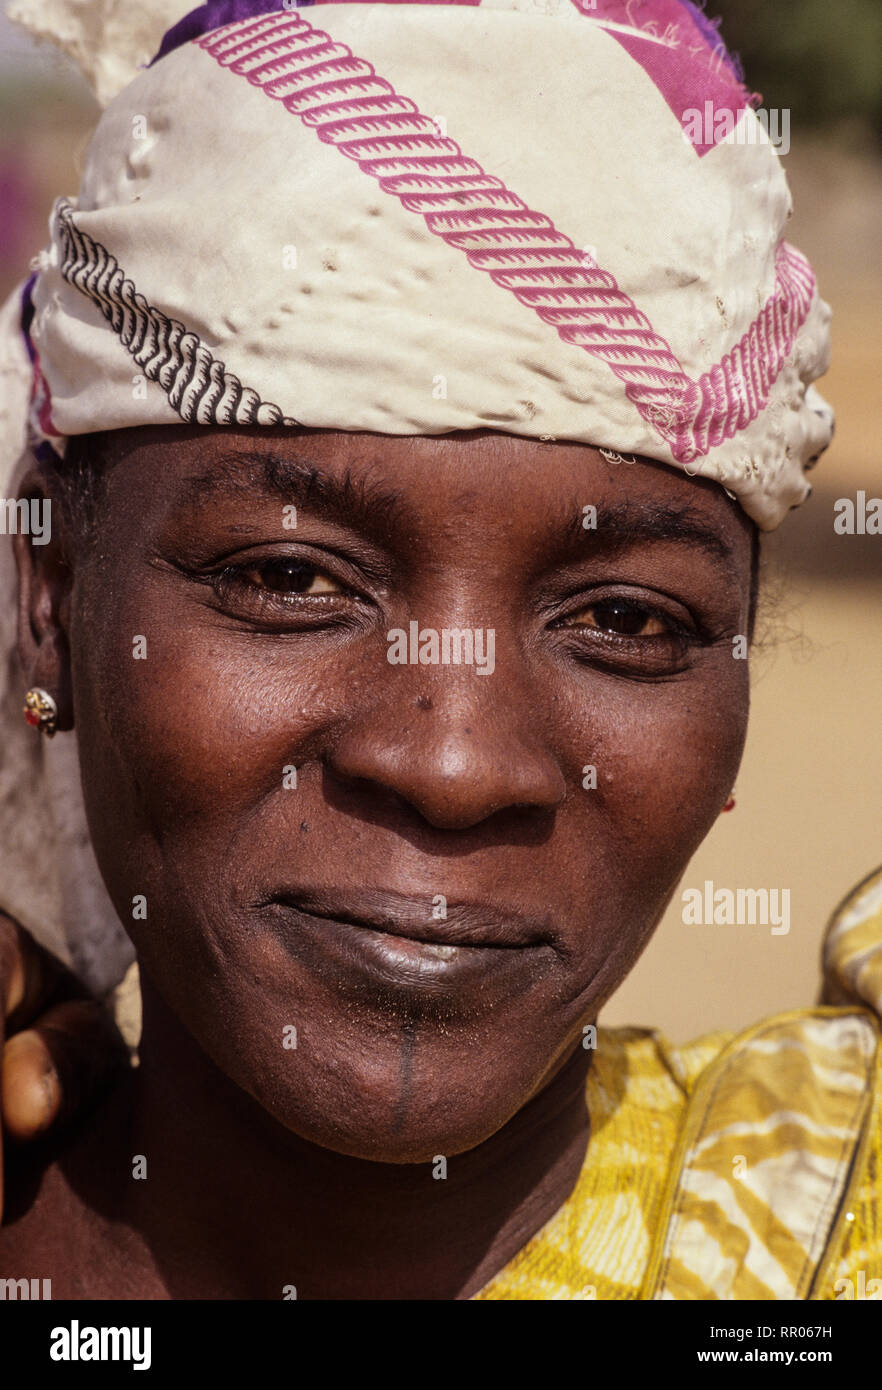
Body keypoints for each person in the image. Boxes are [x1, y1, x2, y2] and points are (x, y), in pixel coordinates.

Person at [1, 0, 879, 1300]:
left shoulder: (828, 1205)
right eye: (290, 577)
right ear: (52, 603)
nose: (454, 761)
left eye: (625, 620)